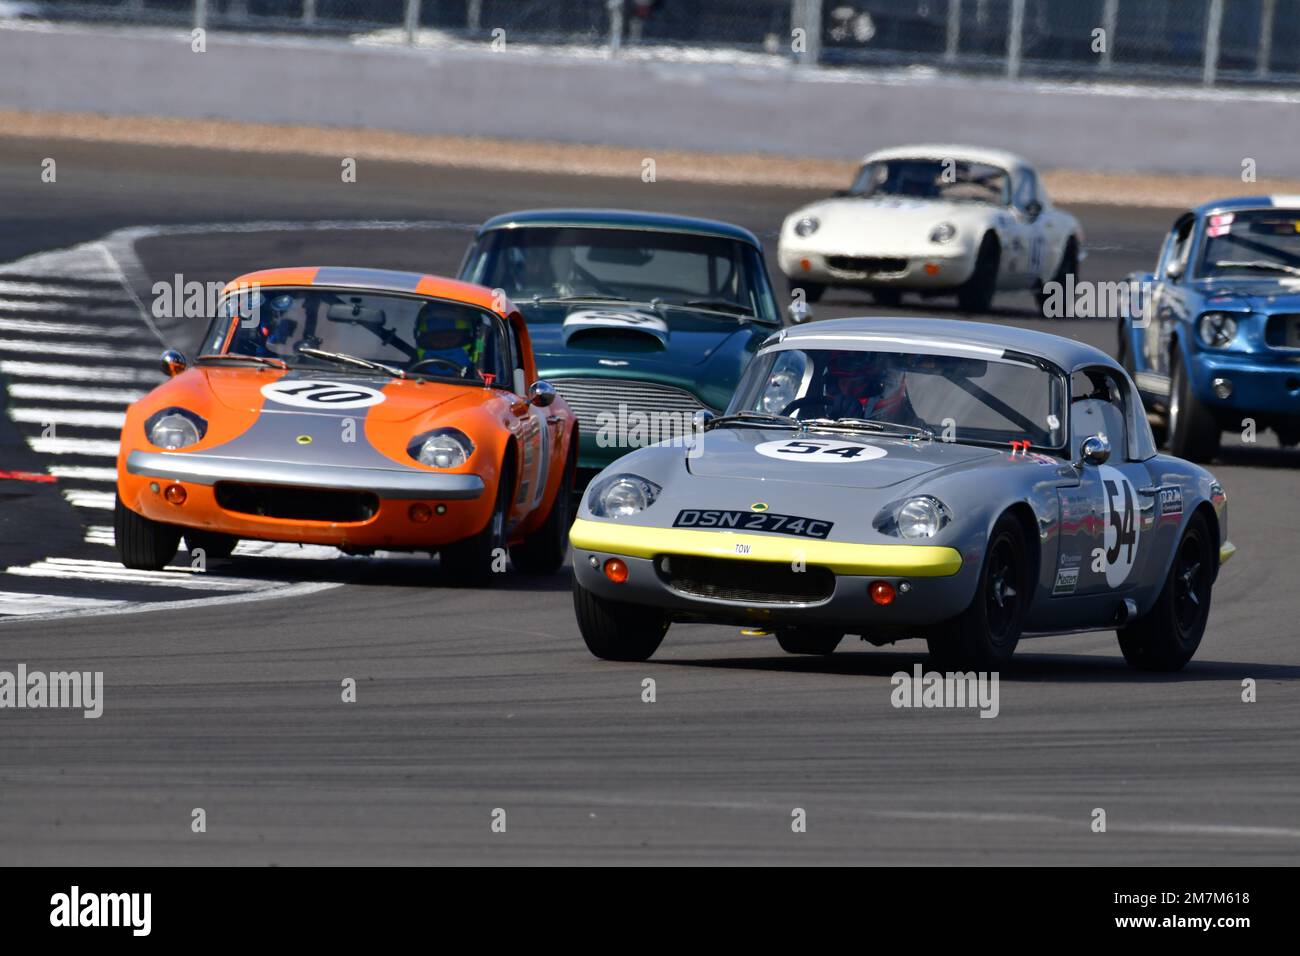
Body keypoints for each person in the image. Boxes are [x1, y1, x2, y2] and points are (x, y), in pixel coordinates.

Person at [822, 351, 912, 422]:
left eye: (856, 384)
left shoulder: (914, 428)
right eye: (843, 383)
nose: (847, 392)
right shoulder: (815, 422)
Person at [412, 303, 484, 376]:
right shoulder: (405, 376)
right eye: (435, 338)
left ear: (473, 339)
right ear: (422, 339)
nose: (443, 343)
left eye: (450, 338)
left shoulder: (485, 379)